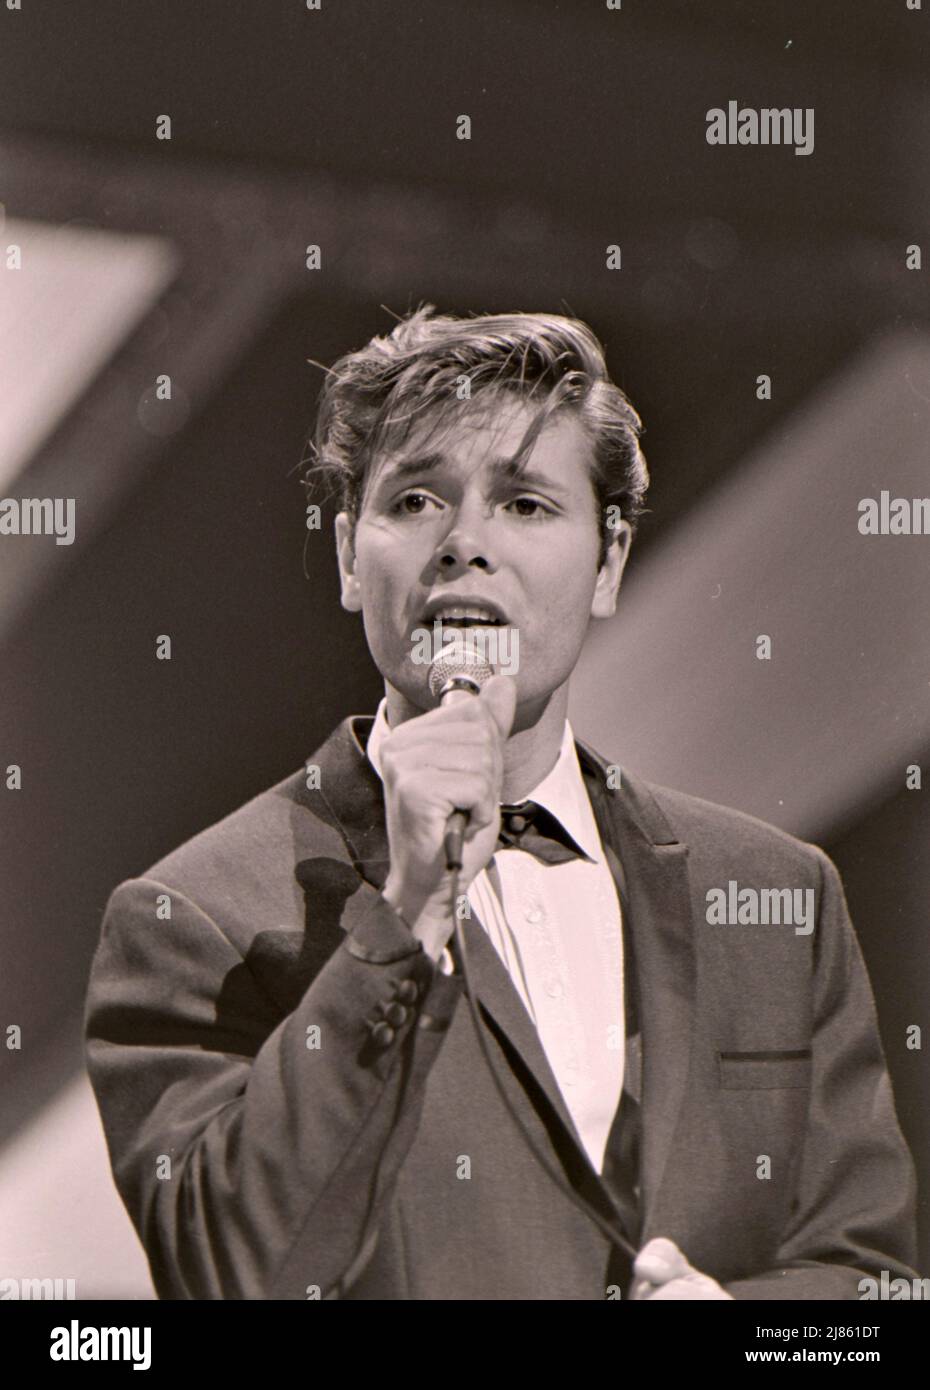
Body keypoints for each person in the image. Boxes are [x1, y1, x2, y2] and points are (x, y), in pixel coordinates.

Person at [84, 306, 917, 1300]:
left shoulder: (779, 895)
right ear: (352, 557)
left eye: (524, 504)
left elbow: (875, 1295)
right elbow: (231, 1275)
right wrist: (404, 916)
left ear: (607, 564)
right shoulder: (193, 916)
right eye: (417, 500)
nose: (465, 543)